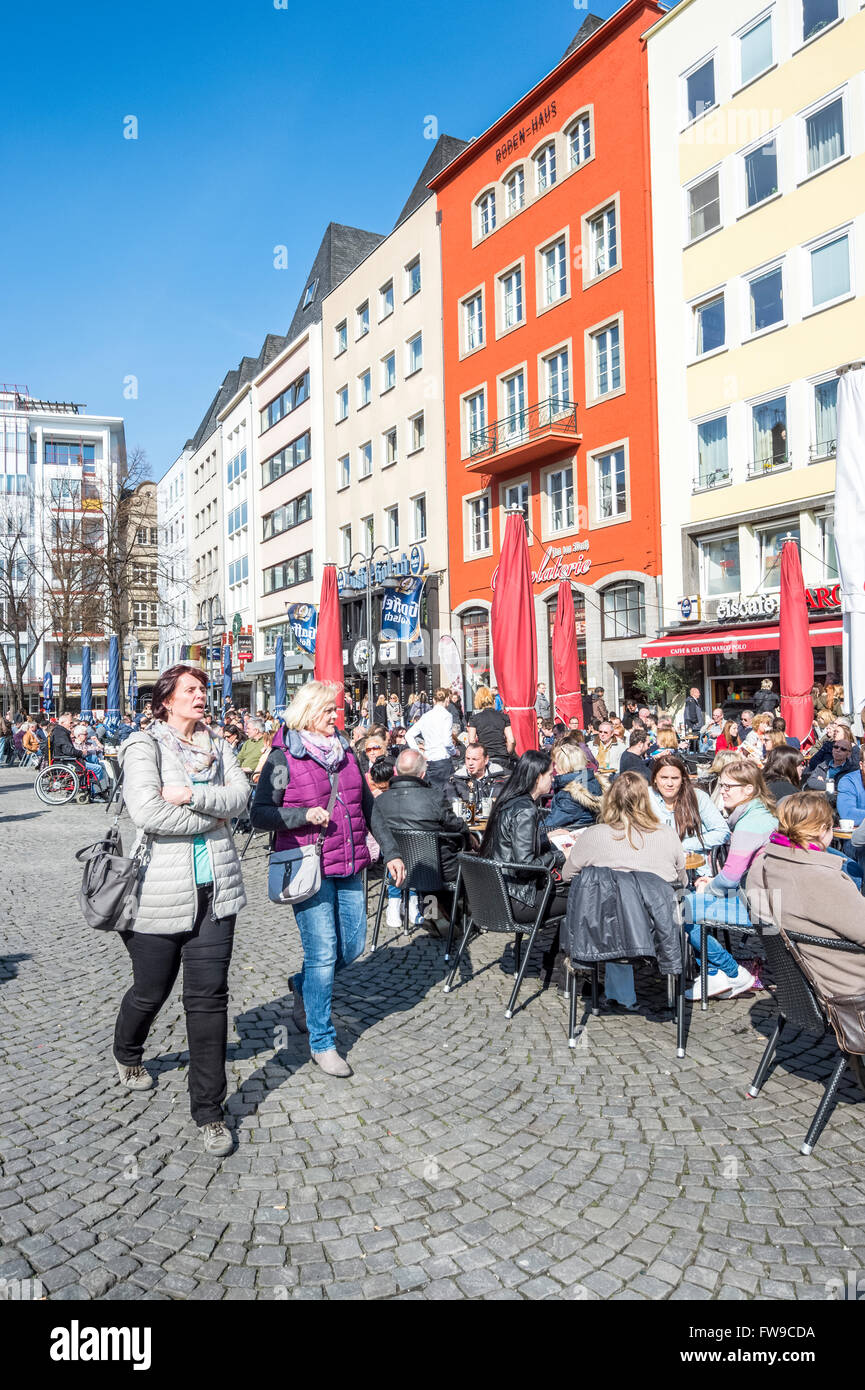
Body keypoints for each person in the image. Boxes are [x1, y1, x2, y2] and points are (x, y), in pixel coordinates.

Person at [114, 664, 249, 1157]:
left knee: (209, 1000)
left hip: (218, 893)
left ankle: (210, 1112)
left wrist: (194, 795)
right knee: (150, 990)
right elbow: (147, 811)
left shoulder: (218, 744)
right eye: (190, 689)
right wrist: (213, 819)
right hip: (159, 893)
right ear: (166, 699)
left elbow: (242, 797)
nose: (201, 695)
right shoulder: (142, 745)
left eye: (203, 689)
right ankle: (127, 1051)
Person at [251, 680, 398, 1078]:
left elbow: (369, 808)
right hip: (307, 867)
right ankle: (322, 1041)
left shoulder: (348, 754)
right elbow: (260, 813)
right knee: (322, 954)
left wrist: (394, 851)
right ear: (307, 713)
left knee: (351, 949)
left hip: (349, 865)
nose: (335, 717)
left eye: (335, 711)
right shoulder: (283, 760)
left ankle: (302, 985)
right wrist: (302, 816)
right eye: (327, 711)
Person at [746, 792, 865, 1062]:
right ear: (823, 830)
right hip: (846, 990)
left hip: (801, 984)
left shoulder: (762, 866)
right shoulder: (818, 876)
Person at [563, 771, 687, 1010]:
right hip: (658, 931)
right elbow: (680, 881)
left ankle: (615, 992)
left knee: (609, 903)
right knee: (627, 902)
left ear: (610, 799)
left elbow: (568, 876)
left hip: (604, 931)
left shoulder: (593, 836)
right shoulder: (667, 835)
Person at [684, 759, 777, 1002]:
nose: (722, 790)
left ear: (749, 789)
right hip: (764, 898)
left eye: (729, 786)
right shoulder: (759, 813)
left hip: (764, 905)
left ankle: (729, 972)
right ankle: (715, 973)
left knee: (683, 908)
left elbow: (730, 879)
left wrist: (708, 886)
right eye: (721, 785)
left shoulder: (751, 822)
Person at [371, 748, 470, 930]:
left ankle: (434, 915)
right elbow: (457, 827)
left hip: (398, 869)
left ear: (397, 772)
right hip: (435, 868)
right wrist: (468, 838)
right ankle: (453, 916)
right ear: (423, 773)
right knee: (468, 863)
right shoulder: (434, 797)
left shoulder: (380, 801)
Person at [478, 751, 568, 943]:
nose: (553, 778)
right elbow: (526, 866)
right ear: (537, 777)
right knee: (581, 895)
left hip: (499, 893)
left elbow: (512, 844)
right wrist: (561, 855)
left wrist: (545, 837)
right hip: (518, 900)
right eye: (550, 775)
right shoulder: (526, 810)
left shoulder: (510, 801)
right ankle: (559, 966)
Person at [648, 753, 730, 855]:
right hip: (656, 864)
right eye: (664, 778)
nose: (669, 784)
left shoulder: (697, 797)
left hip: (693, 866)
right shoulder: (646, 797)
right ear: (655, 779)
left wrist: (681, 845)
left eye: (675, 778)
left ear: (682, 779)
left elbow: (722, 832)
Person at [406, 687, 457, 789]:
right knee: (447, 795)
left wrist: (420, 753)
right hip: (443, 761)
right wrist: (454, 752)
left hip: (429, 761)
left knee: (432, 794)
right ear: (447, 699)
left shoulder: (426, 716)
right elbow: (447, 742)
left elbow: (408, 735)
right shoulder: (446, 715)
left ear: (434, 700)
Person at [543, 743, 602, 831]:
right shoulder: (594, 782)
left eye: (557, 764)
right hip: (590, 833)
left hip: (570, 838)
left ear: (566, 767)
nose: (555, 767)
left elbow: (549, 825)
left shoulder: (569, 795)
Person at [444, 740, 508, 816]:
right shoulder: (454, 781)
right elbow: (449, 810)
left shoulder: (503, 778)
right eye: (468, 759)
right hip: (466, 826)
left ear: (486, 760)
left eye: (475, 759)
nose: (470, 763)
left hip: (495, 824)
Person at [467, 685, 515, 764]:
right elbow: (511, 740)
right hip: (502, 756)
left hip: (484, 757)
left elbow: (472, 741)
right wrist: (507, 753)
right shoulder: (504, 717)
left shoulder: (474, 718)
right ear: (493, 701)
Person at [682, 687, 704, 753]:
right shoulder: (691, 701)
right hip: (693, 727)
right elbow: (692, 713)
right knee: (693, 744)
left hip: (694, 727)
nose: (699, 694)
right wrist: (695, 722)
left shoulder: (693, 701)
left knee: (695, 744)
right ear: (693, 693)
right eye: (698, 692)